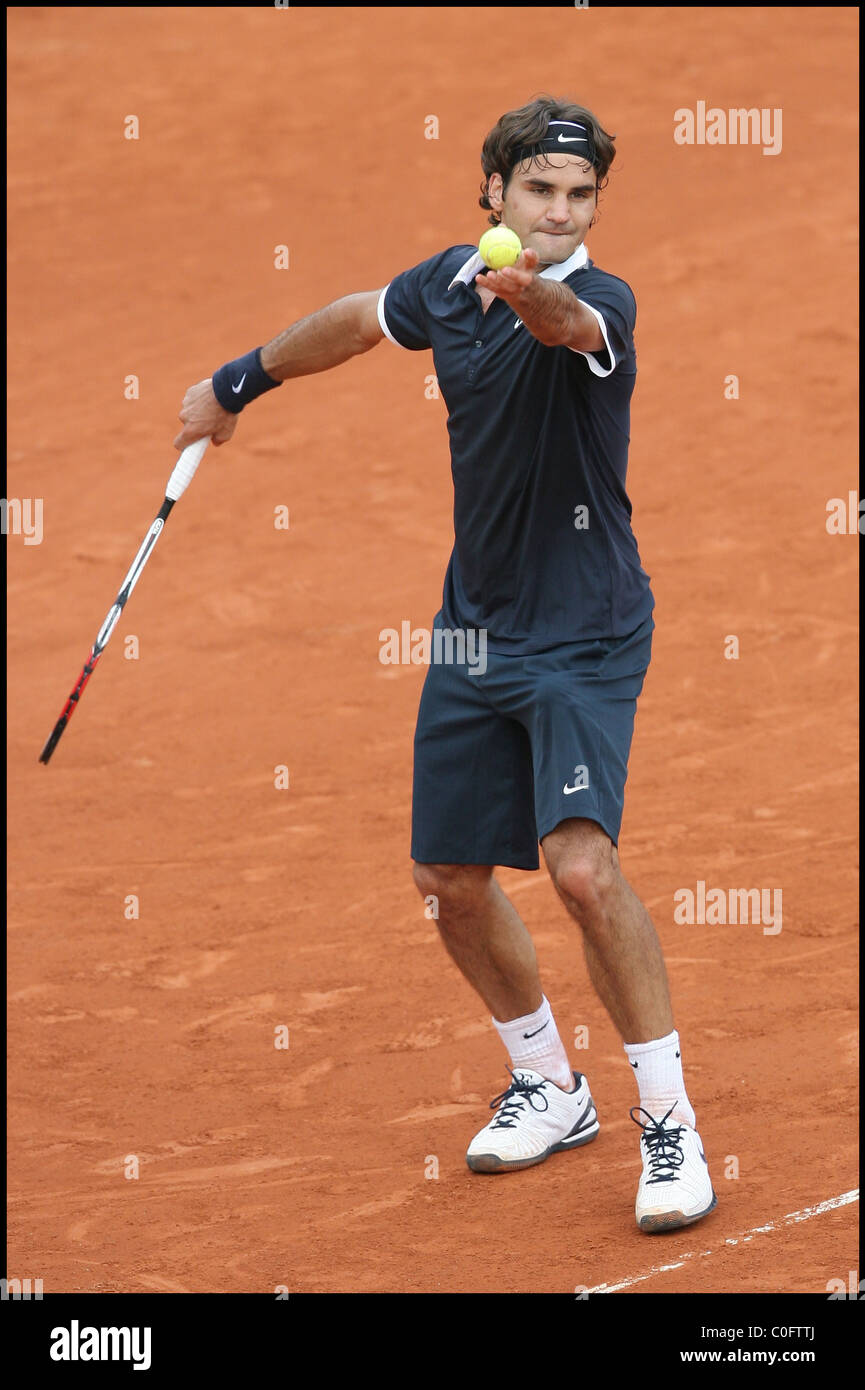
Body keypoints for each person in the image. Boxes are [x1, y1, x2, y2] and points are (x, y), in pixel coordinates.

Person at [174, 94, 716, 1235]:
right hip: (475, 630)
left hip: (585, 632)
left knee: (577, 871)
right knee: (450, 884)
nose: (560, 213)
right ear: (494, 193)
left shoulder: (595, 300)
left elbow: (567, 321)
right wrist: (236, 384)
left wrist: (525, 289)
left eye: (579, 197)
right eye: (539, 194)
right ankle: (549, 1087)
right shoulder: (445, 285)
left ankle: (667, 1119)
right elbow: (358, 320)